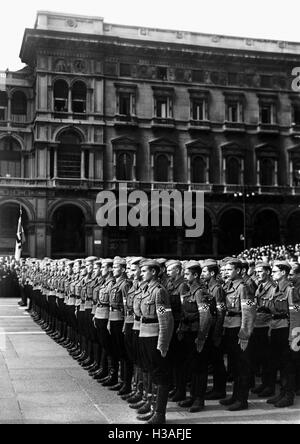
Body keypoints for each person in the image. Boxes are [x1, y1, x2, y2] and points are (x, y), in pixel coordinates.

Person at [138, 259, 174, 424]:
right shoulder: (145, 289)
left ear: (153, 272)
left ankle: (160, 414)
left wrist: (163, 343)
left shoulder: (159, 291)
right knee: (152, 372)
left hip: (155, 336)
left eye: (144, 271)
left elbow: (166, 319)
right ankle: (152, 408)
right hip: (145, 334)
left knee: (161, 375)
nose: (141, 273)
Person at [219, 258, 256, 411]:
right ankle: (235, 396)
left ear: (239, 271)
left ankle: (242, 399)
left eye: (229, 270)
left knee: (242, 365)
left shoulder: (244, 288)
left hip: (239, 328)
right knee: (234, 365)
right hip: (229, 326)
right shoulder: (229, 286)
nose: (226, 272)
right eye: (225, 270)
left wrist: (245, 335)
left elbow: (249, 313)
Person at [250, 261, 276, 397]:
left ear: (268, 272)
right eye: (256, 272)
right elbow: (255, 304)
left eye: (260, 272)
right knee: (261, 356)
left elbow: (274, 310)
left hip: (268, 326)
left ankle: (269, 386)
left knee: (268, 359)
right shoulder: (259, 287)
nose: (257, 274)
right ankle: (265, 384)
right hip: (258, 325)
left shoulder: (273, 288)